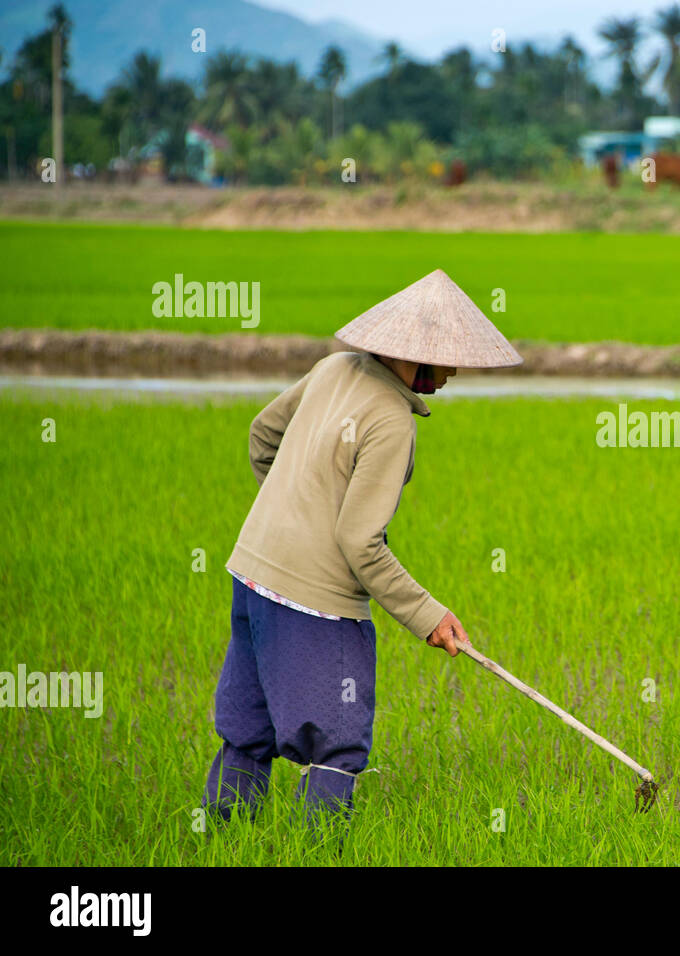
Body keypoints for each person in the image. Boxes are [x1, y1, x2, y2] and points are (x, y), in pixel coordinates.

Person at [203, 269, 522, 825]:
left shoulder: (332, 370)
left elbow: (262, 437)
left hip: (251, 573)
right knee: (335, 746)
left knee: (246, 731)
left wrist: (293, 515)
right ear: (415, 355)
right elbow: (359, 541)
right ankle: (323, 855)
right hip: (315, 602)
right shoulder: (392, 420)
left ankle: (219, 841)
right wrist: (429, 616)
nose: (451, 373)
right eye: (446, 360)